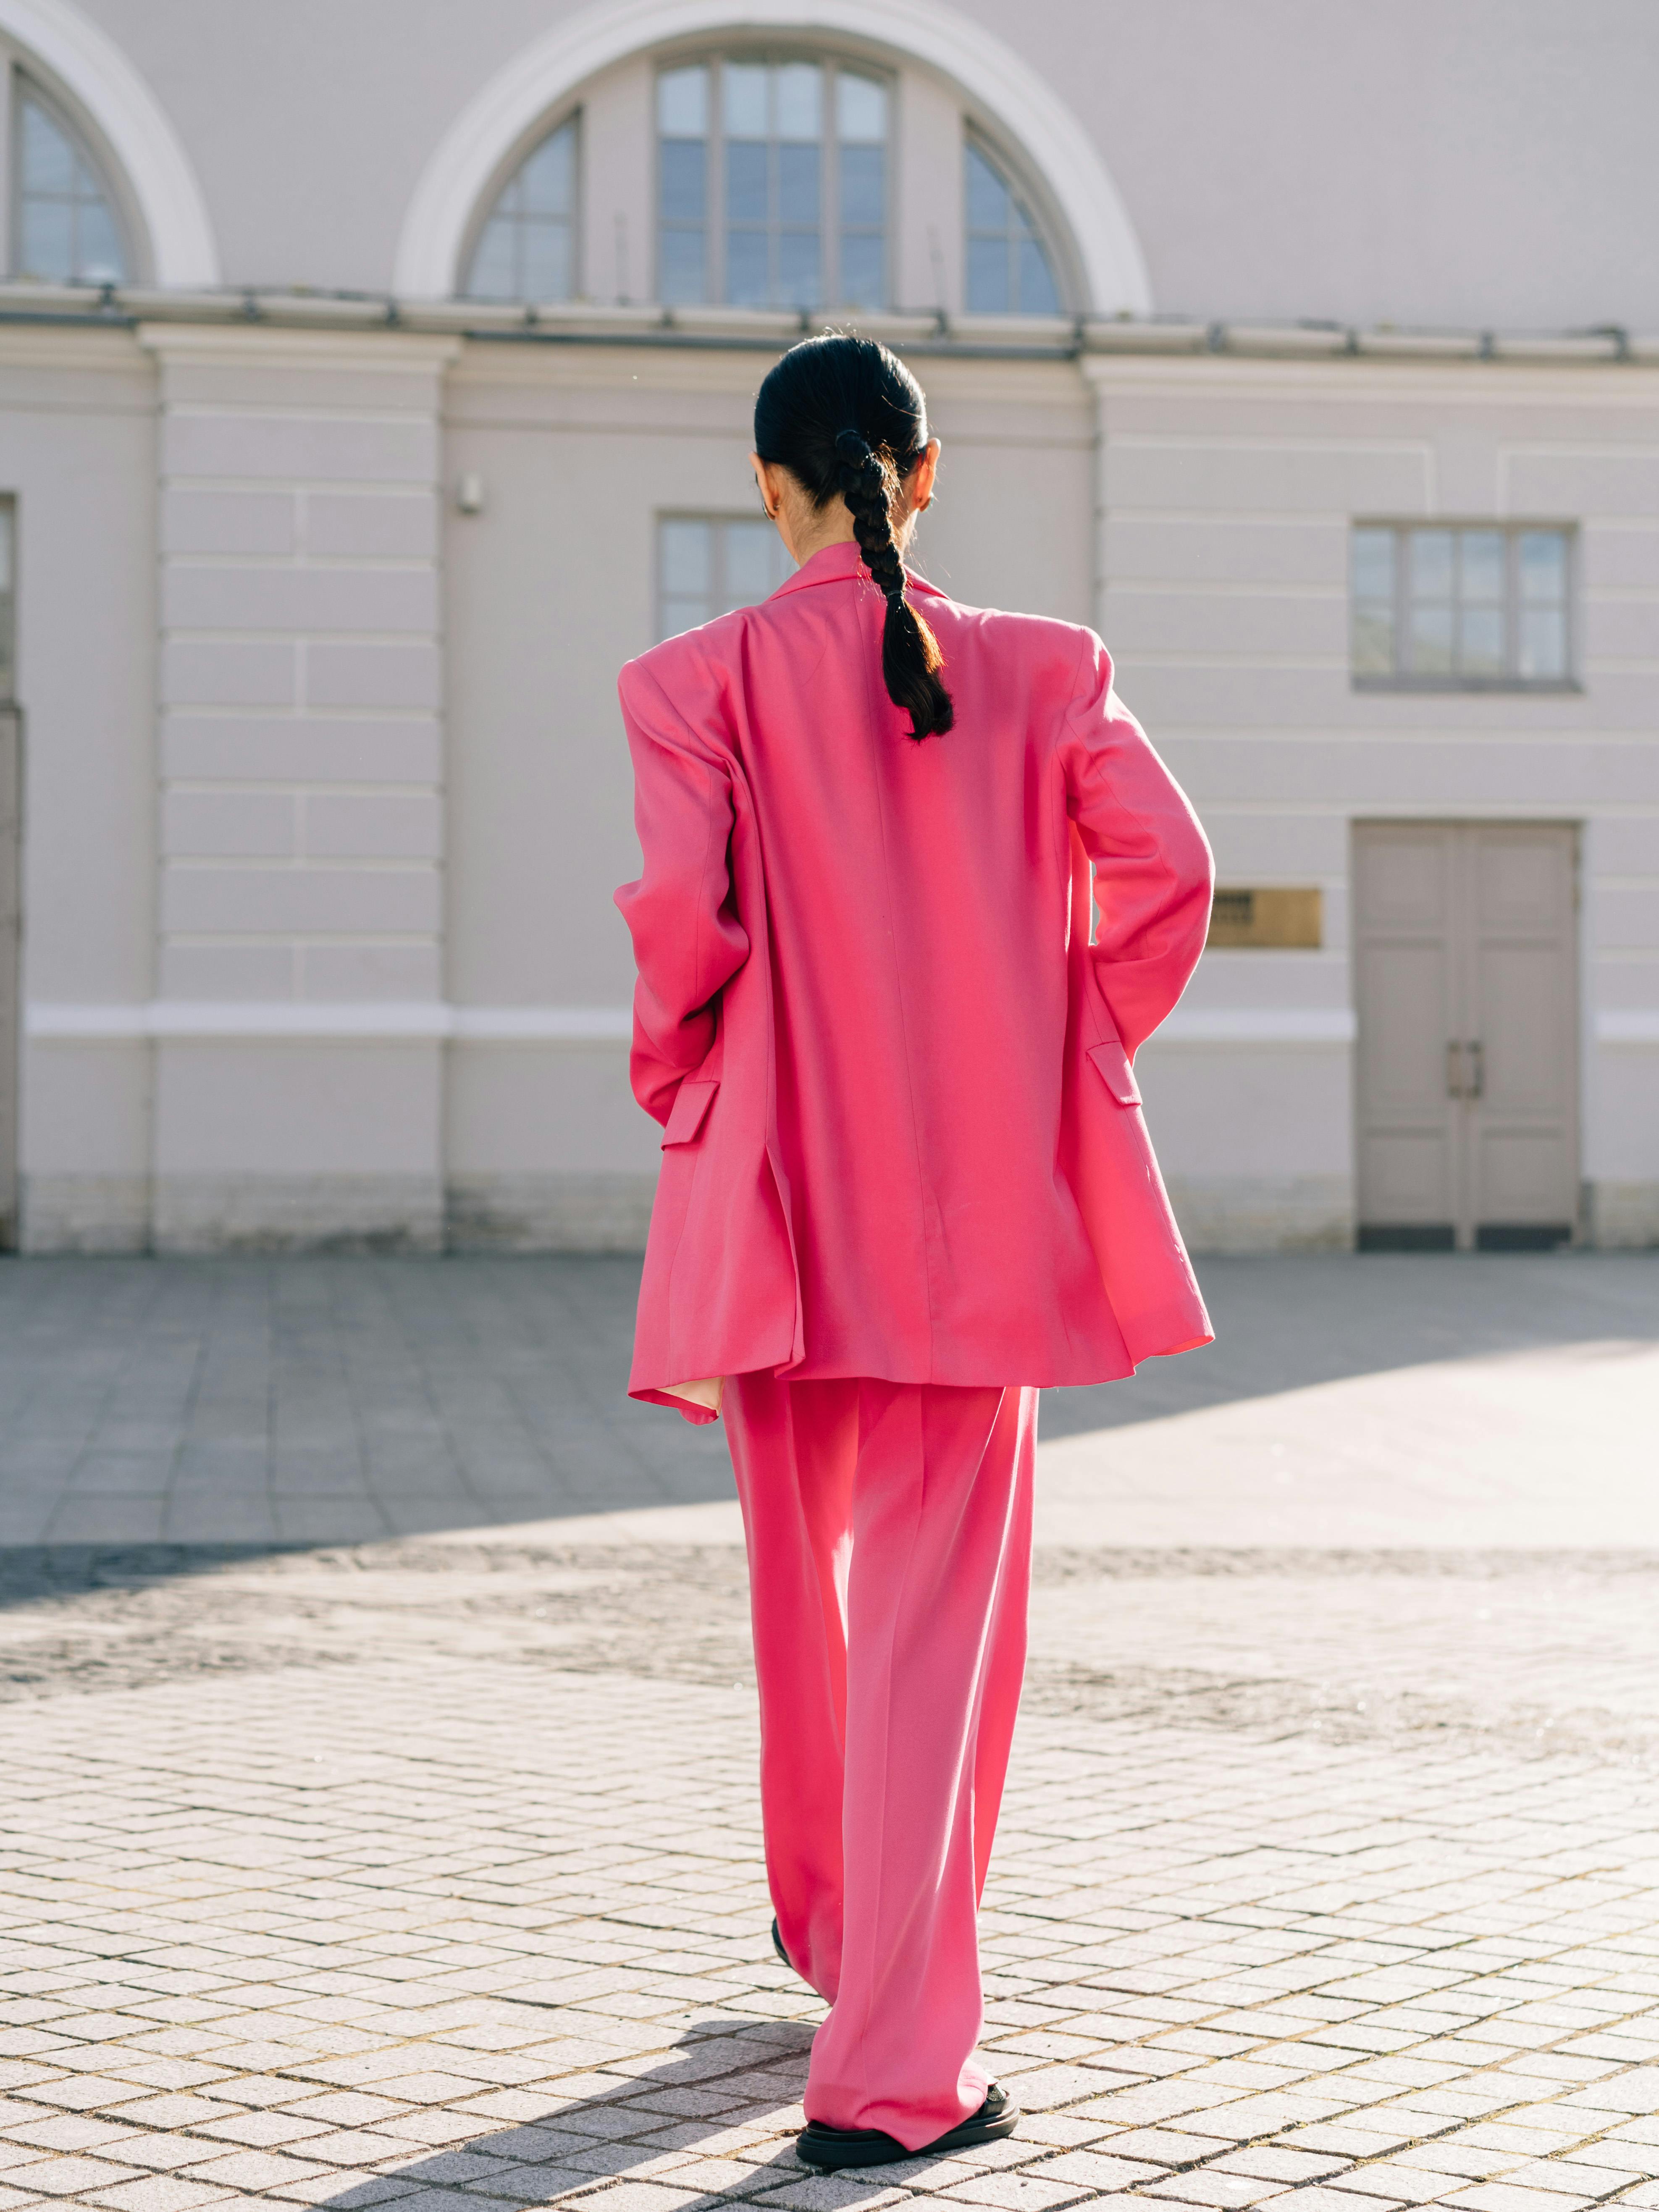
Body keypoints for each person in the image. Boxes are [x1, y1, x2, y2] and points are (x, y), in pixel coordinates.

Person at [614, 333, 1213, 2168]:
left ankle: (837, 1935)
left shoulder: (692, 684)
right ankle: (887, 2074)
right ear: (922, 475)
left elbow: (684, 927)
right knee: (932, 1641)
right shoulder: (1046, 669)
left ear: (766, 485)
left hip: (776, 1213)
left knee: (805, 1613)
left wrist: (687, 1083)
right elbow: (1171, 877)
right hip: (973, 1229)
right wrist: (1061, 1047)